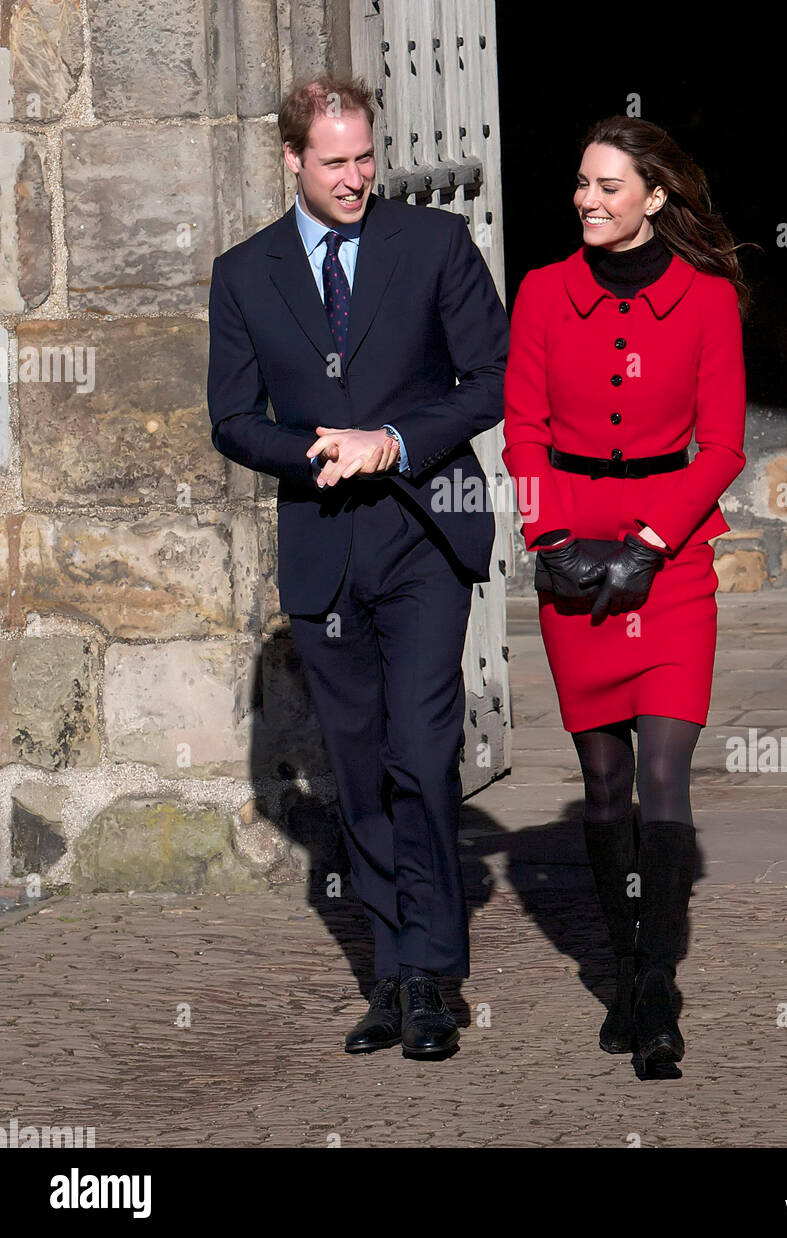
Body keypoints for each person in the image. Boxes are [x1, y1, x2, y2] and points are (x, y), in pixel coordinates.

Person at [207, 73, 509, 1059]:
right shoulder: (245, 274)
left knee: (422, 757)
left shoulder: (431, 246)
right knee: (365, 773)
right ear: (291, 159)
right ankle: (393, 970)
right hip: (324, 545)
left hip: (425, 533)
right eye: (333, 161)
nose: (354, 176)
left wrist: (391, 437)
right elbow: (231, 417)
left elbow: (495, 377)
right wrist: (312, 449)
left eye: (364, 156)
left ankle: (432, 973)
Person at [502, 116, 748, 1075]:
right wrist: (548, 537)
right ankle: (622, 963)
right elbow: (520, 430)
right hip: (570, 550)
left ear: (655, 197)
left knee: (661, 778)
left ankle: (653, 989)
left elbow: (723, 445)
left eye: (608, 186)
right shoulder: (541, 292)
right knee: (602, 786)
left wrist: (650, 541)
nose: (587, 200)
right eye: (581, 183)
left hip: (673, 559)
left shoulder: (707, 301)